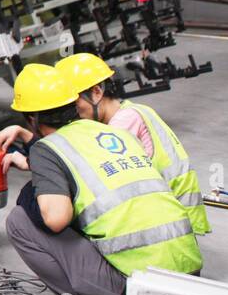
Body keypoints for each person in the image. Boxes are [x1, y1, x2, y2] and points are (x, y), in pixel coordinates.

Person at [0, 64, 203, 295]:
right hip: (191, 279)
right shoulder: (112, 132)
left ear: (31, 118)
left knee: (21, 220)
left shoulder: (48, 149)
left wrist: (29, 193)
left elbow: (56, 219)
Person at [56, 52, 209, 235]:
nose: (71, 113)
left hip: (169, 220)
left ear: (96, 92)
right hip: (178, 213)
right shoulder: (134, 110)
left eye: (73, 104)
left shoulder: (122, 124)